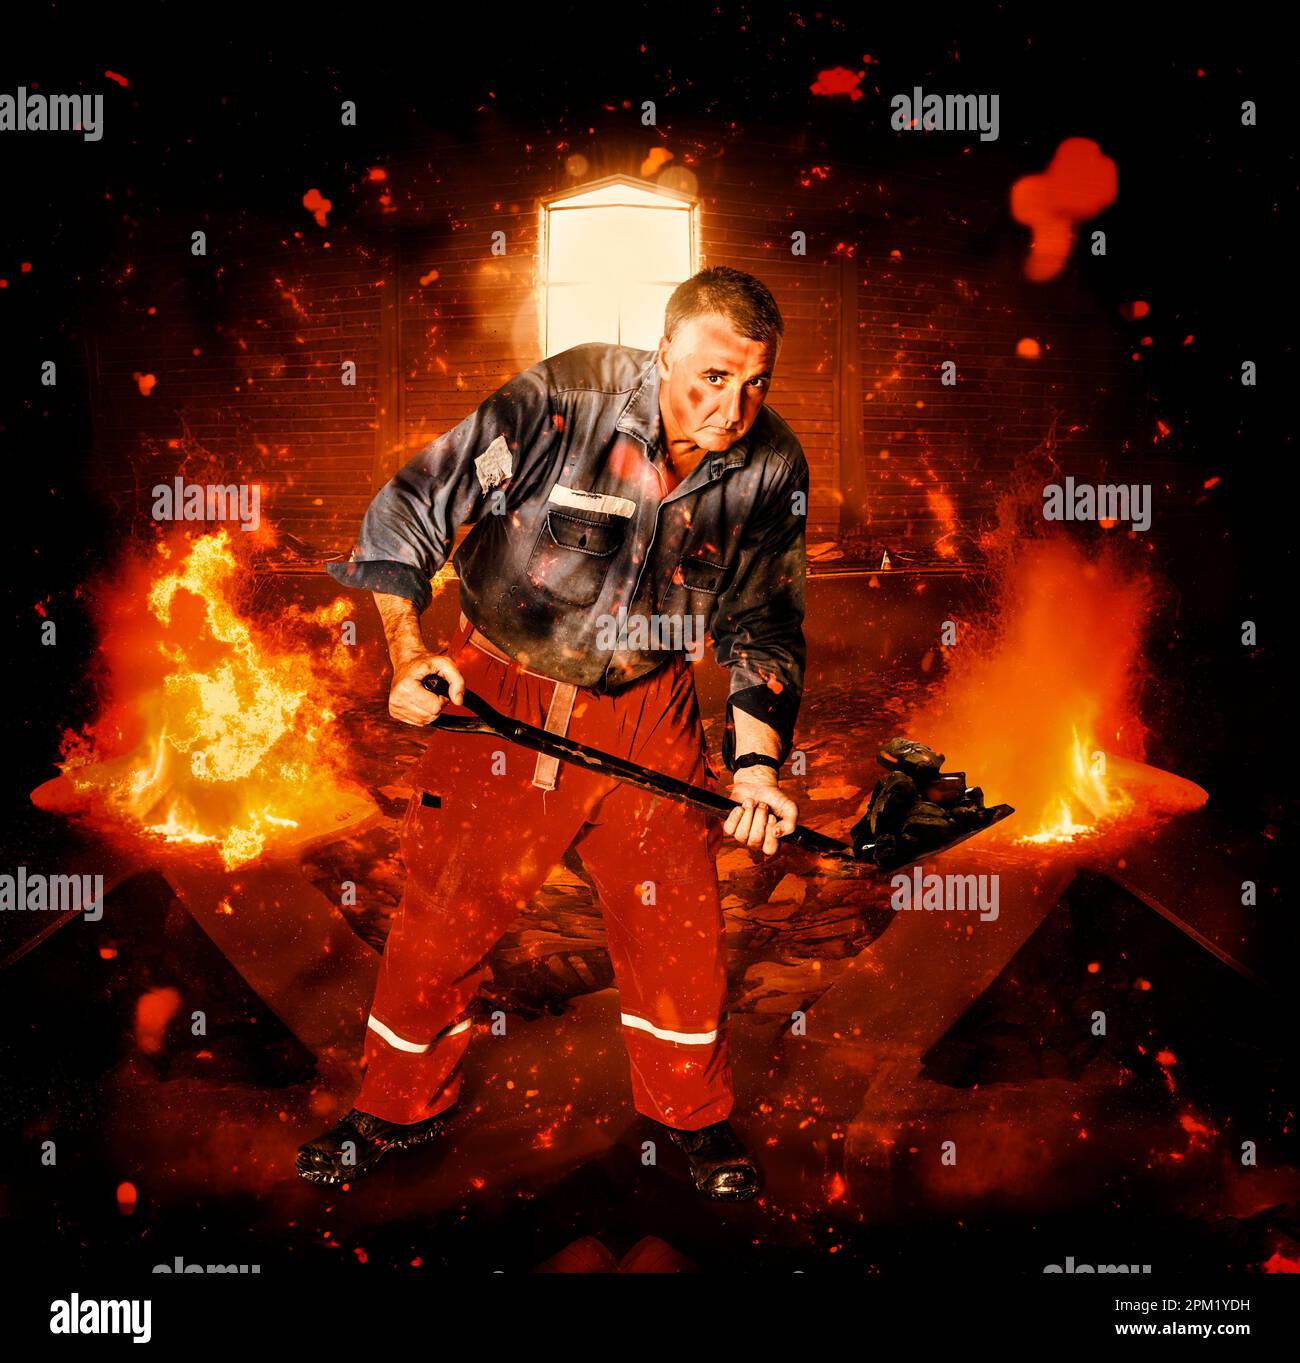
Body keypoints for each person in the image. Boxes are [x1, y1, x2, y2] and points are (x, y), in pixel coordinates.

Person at [297, 265, 808, 1201]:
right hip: (504, 693)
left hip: (650, 711)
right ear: (663, 352)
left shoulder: (771, 466)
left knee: (679, 927)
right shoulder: (565, 399)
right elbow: (412, 506)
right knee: (443, 915)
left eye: (755, 382)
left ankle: (689, 1114)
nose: (734, 408)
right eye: (711, 377)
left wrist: (757, 765)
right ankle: (396, 1106)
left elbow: (764, 625)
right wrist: (408, 655)